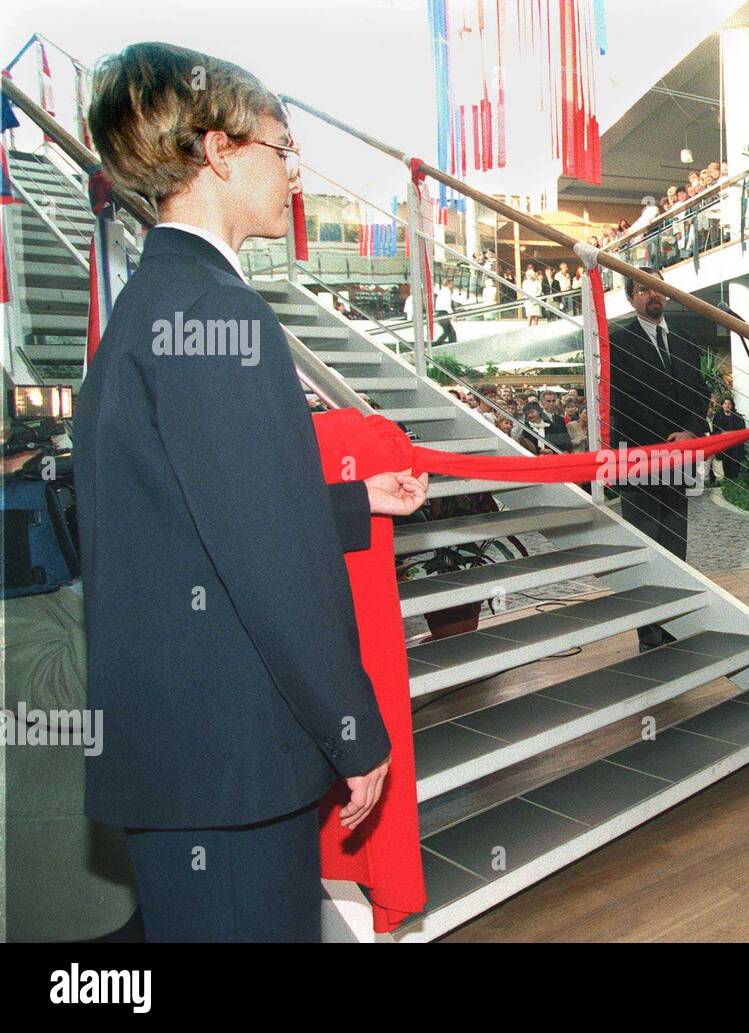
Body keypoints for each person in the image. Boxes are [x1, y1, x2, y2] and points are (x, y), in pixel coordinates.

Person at [76, 42, 429, 942]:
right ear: (218, 151)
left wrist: (355, 508)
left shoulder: (153, 306)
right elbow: (266, 561)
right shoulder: (217, 314)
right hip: (228, 767)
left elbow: (198, 520)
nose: (295, 171)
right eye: (282, 145)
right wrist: (356, 728)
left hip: (184, 766)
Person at [608, 266, 708, 652]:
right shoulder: (618, 343)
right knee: (647, 549)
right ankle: (650, 637)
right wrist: (656, 445)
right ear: (631, 298)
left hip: (679, 459)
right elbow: (622, 404)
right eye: (645, 289)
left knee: (674, 547)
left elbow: (699, 396)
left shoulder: (685, 343)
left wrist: (691, 432)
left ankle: (674, 627)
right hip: (639, 461)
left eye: (659, 289)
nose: (654, 295)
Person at [711, 396, 747, 479]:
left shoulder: (738, 417)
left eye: (729, 403)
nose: (727, 405)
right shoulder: (718, 416)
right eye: (725, 403)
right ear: (722, 405)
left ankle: (734, 482)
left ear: (732, 405)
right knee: (723, 466)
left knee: (734, 465)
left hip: (735, 446)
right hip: (723, 446)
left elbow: (742, 431)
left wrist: (731, 434)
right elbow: (715, 431)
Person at [433, 277, 457, 343]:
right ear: (448, 284)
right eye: (452, 284)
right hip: (443, 313)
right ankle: (437, 345)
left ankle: (437, 344)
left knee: (448, 331)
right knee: (450, 332)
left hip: (439, 312)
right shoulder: (447, 291)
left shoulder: (442, 291)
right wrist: (452, 315)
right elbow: (447, 305)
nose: (453, 286)